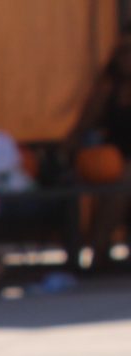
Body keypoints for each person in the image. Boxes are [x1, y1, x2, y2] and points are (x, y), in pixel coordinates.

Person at [70, 25, 131, 269]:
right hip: (112, 162)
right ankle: (98, 249)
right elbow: (84, 125)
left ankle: (99, 247)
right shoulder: (108, 90)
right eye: (124, 50)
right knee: (121, 184)